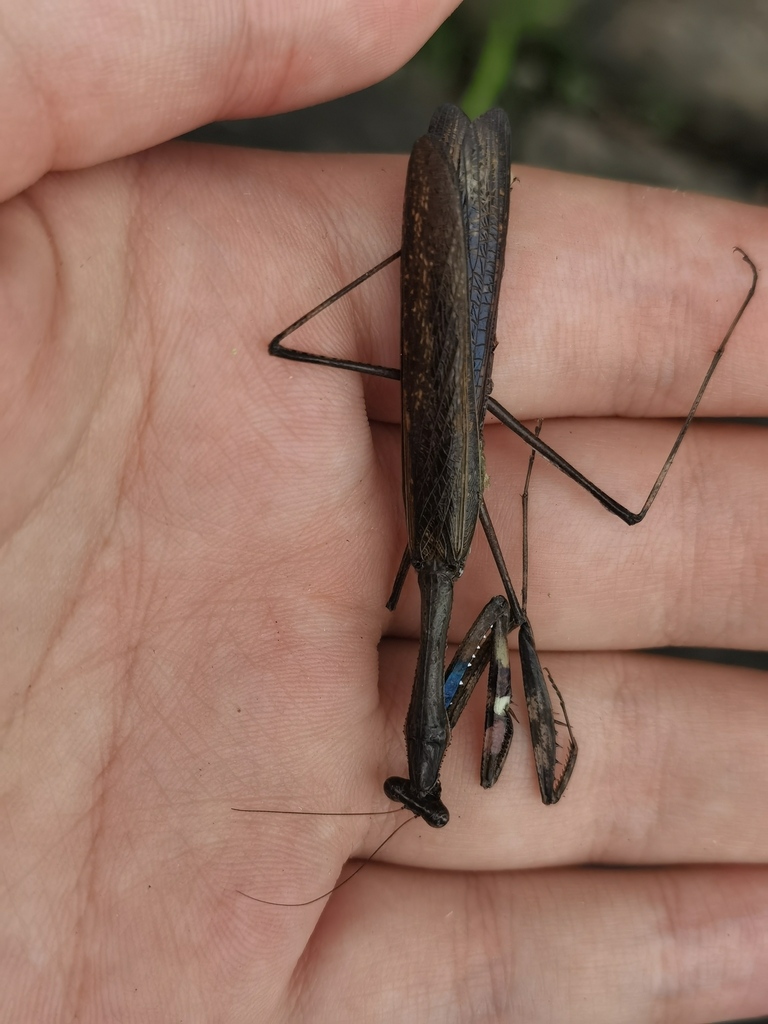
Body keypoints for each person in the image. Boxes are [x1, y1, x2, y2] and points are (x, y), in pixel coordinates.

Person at [2, 1, 767, 1020]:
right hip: (451, 415)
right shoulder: (430, 604)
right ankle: (660, 307)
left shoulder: (434, 601)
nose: (422, 773)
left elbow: (488, 625)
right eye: (422, 782)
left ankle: (511, 265)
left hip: (450, 417)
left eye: (422, 777)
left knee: (579, 521)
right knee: (537, 503)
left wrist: (428, 288)